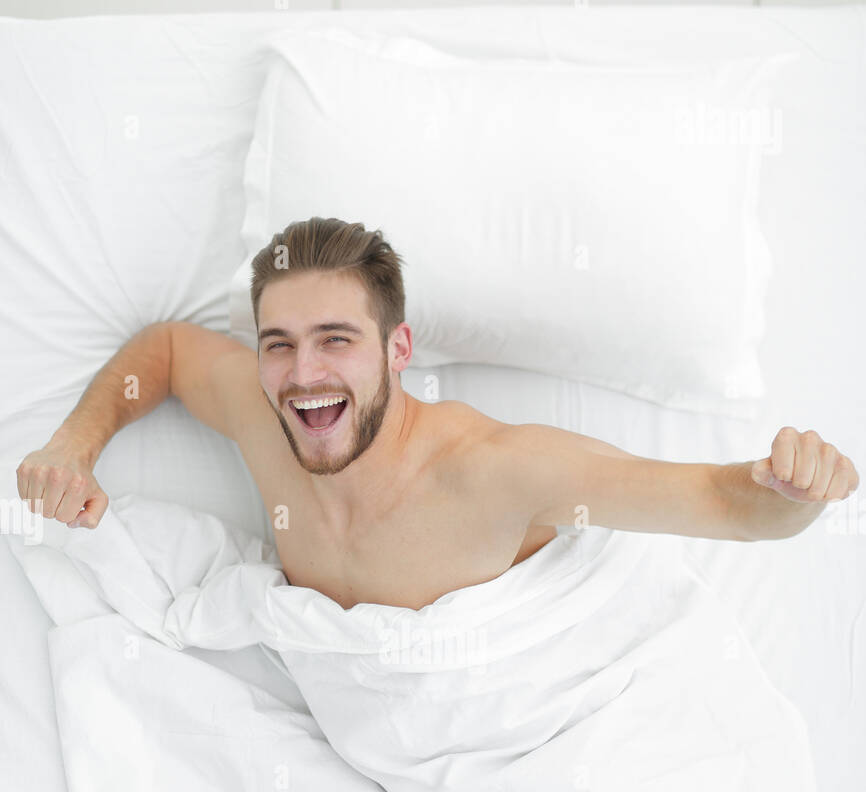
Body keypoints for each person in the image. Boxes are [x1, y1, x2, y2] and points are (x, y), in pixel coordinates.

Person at [16, 216, 858, 613]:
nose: (303, 375)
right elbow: (163, 351)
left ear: (398, 349)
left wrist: (793, 491)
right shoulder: (265, 413)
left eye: (336, 339)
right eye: (279, 344)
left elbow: (726, 506)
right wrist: (73, 446)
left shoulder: (496, 472)